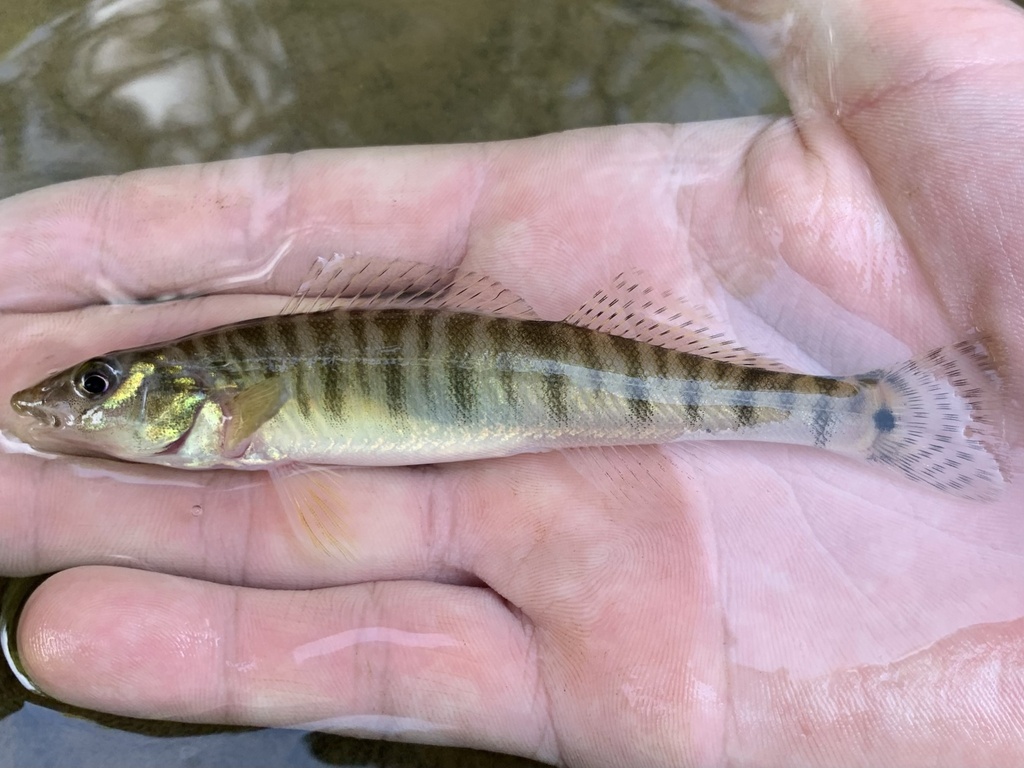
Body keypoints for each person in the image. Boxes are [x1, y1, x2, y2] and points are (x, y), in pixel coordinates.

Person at [1, 0, 1022, 764]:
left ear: (185, 394)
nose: (70, 405)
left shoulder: (230, 404)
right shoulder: (228, 399)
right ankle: (869, 412)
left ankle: (868, 413)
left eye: (96, 387)